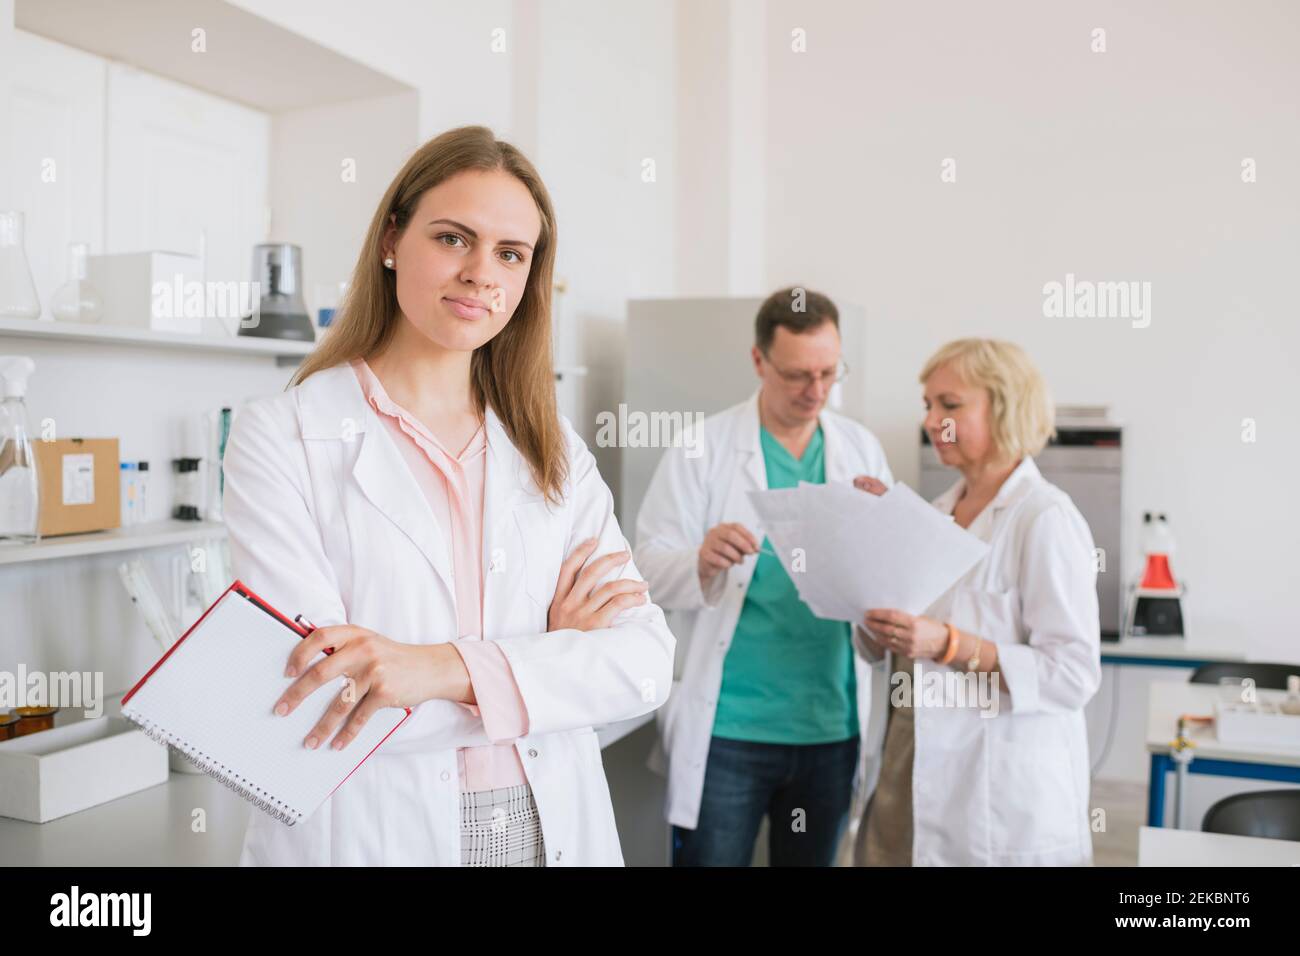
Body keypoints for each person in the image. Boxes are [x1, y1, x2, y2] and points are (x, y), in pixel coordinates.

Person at [221, 125, 675, 866]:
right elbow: (328, 703)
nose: (480, 273)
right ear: (392, 240)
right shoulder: (284, 435)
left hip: (548, 825)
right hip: (372, 834)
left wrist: (436, 668)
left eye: (509, 253)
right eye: (453, 238)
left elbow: (644, 664)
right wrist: (550, 659)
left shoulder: (549, 446)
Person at [636, 287, 893, 866]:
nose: (817, 391)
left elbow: (884, 587)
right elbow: (646, 569)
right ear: (759, 361)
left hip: (830, 728)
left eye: (830, 372)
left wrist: (885, 530)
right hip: (730, 729)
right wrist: (700, 560)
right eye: (799, 375)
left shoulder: (860, 449)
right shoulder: (702, 448)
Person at [855, 338, 1101, 866]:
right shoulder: (937, 513)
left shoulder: (1044, 519)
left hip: (1005, 804)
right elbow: (892, 648)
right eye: (928, 405)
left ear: (1004, 406)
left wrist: (949, 645)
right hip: (918, 777)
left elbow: (1072, 674)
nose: (930, 420)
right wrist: (879, 550)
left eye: (949, 404)